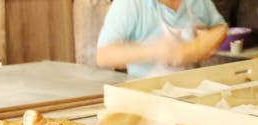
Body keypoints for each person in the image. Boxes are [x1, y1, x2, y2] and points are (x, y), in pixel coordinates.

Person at [96, 0, 228, 78]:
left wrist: (202, 45)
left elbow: (220, 26)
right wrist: (154, 51)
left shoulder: (197, 2)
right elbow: (103, 55)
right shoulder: (130, 4)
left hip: (193, 93)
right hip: (147, 97)